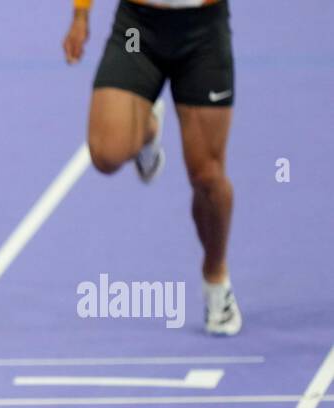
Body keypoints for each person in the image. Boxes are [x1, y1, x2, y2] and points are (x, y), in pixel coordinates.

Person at [64, 0, 241, 335]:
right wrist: (80, 15)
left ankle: (215, 277)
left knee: (207, 177)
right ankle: (148, 130)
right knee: (105, 154)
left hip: (203, 35)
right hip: (137, 29)